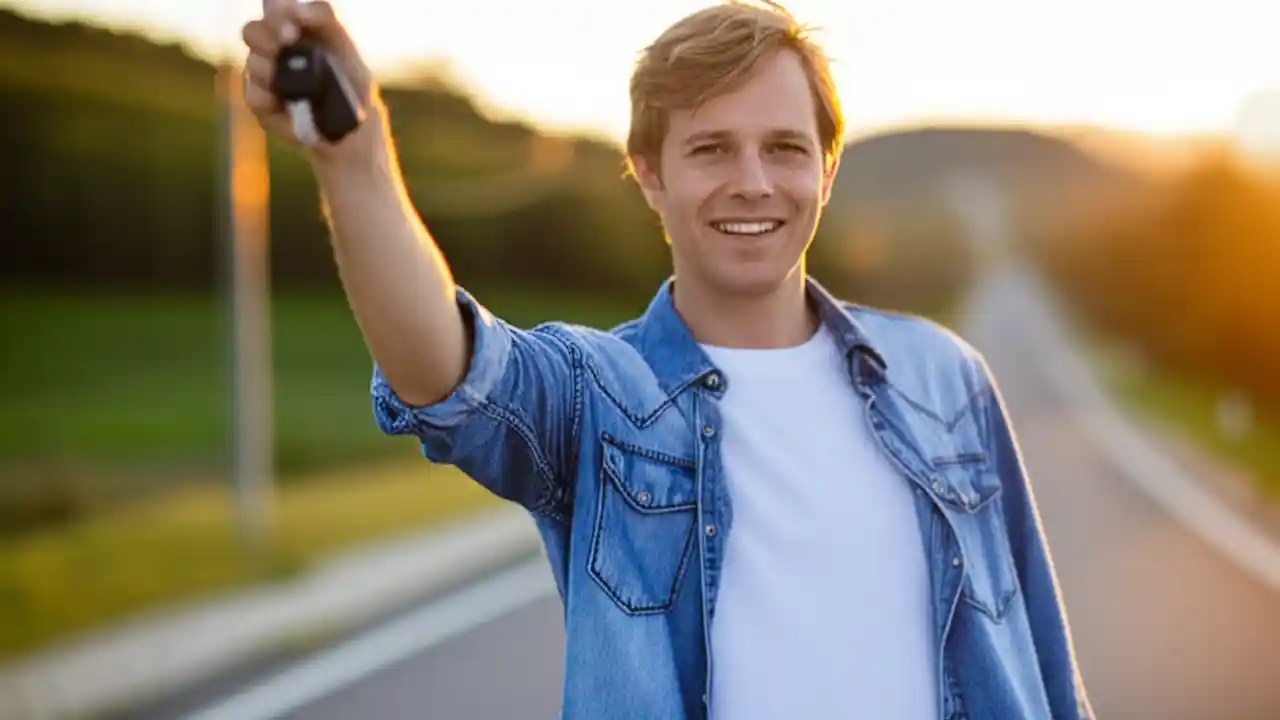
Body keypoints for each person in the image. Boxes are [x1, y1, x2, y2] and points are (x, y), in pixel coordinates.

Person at [241, 1, 1094, 717]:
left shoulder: (944, 378)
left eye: (785, 148)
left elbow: (1045, 667)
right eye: (711, 148)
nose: (753, 181)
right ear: (649, 174)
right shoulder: (601, 397)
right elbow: (447, 369)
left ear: (827, 170)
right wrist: (353, 156)